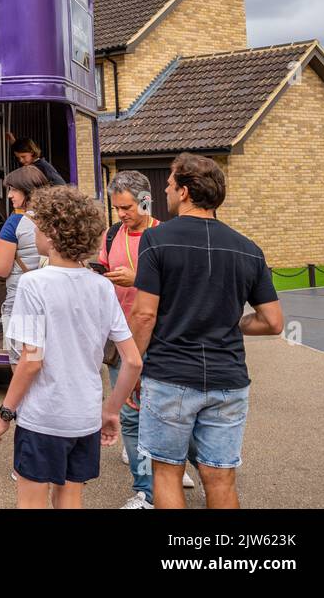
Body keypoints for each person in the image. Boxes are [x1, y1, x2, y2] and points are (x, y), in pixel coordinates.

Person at [131, 153, 284, 510]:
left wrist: (133, 368)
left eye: (169, 184)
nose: (165, 190)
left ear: (184, 192)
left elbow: (143, 316)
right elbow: (273, 321)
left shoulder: (156, 240)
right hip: (228, 379)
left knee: (167, 472)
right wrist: (237, 323)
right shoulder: (249, 250)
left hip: (170, 375)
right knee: (220, 476)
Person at [0, 186, 143, 508]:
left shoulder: (33, 284)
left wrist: (4, 414)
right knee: (70, 499)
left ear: (52, 233)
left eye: (39, 224)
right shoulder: (102, 286)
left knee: (32, 502)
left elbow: (31, 360)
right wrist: (111, 410)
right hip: (84, 418)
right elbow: (133, 361)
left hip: (43, 417)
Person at [98, 170, 182, 509]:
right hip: (120, 339)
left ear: (146, 200)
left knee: (168, 413)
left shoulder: (167, 236)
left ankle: (172, 471)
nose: (122, 214)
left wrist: (138, 278)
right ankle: (146, 490)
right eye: (117, 208)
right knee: (130, 416)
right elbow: (104, 272)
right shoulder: (111, 235)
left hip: (161, 338)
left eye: (128, 207)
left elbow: (180, 289)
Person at [0, 165, 50, 368]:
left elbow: (0, 268)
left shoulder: (15, 222)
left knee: (23, 362)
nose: (9, 195)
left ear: (27, 191)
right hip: (51, 299)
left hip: (21, 301)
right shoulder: (57, 219)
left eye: (14, 190)